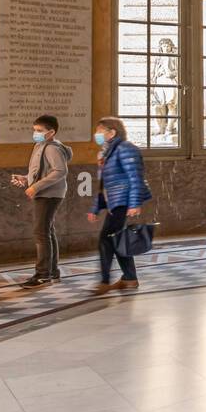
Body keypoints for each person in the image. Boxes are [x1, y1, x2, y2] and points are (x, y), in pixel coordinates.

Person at [10, 114, 72, 288]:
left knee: (41, 233)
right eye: (34, 130)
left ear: (51, 132)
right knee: (46, 231)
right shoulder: (41, 145)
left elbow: (60, 171)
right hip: (45, 193)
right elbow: (43, 171)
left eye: (39, 131)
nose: (35, 133)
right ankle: (52, 272)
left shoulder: (52, 148)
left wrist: (36, 187)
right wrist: (26, 179)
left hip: (48, 194)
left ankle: (43, 274)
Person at [88, 116, 148, 293]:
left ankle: (104, 281)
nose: (96, 135)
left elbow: (135, 177)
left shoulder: (126, 149)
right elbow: (103, 184)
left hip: (123, 201)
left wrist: (134, 203)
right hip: (114, 202)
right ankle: (129, 278)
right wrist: (96, 208)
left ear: (112, 132)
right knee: (117, 240)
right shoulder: (107, 152)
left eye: (100, 131)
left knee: (105, 240)